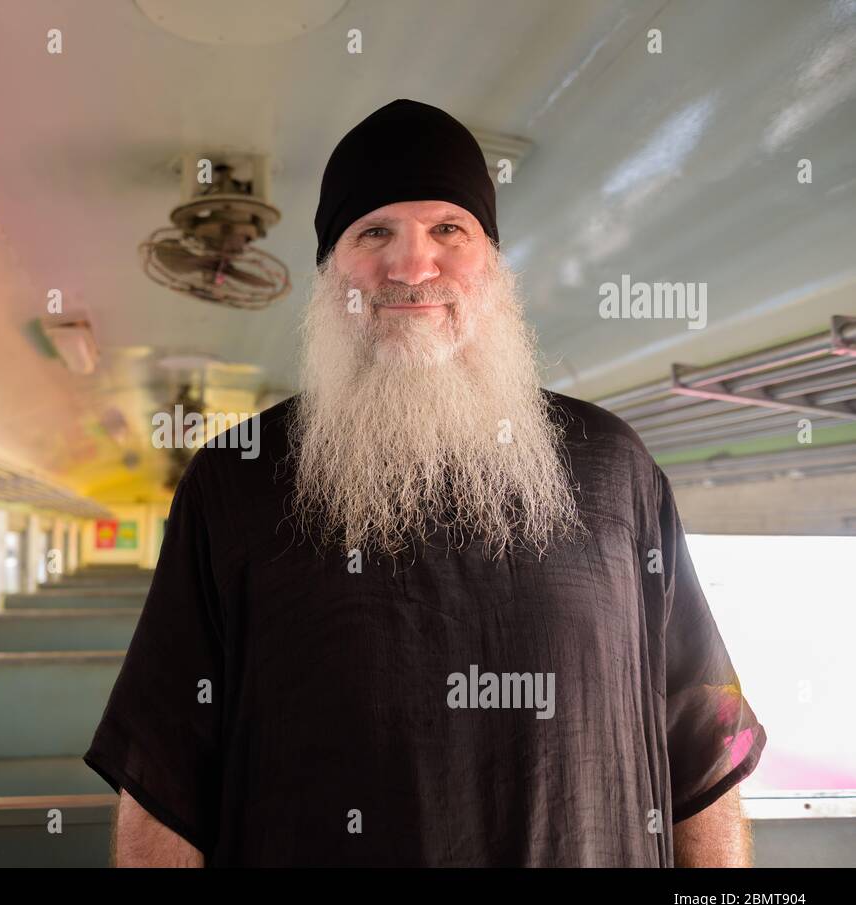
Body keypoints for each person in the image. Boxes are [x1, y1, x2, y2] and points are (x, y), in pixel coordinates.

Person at [83, 99, 766, 866]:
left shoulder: (614, 467)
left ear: (491, 263)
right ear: (330, 270)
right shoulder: (234, 482)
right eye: (373, 232)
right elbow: (165, 783)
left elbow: (705, 751)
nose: (411, 267)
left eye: (449, 229)